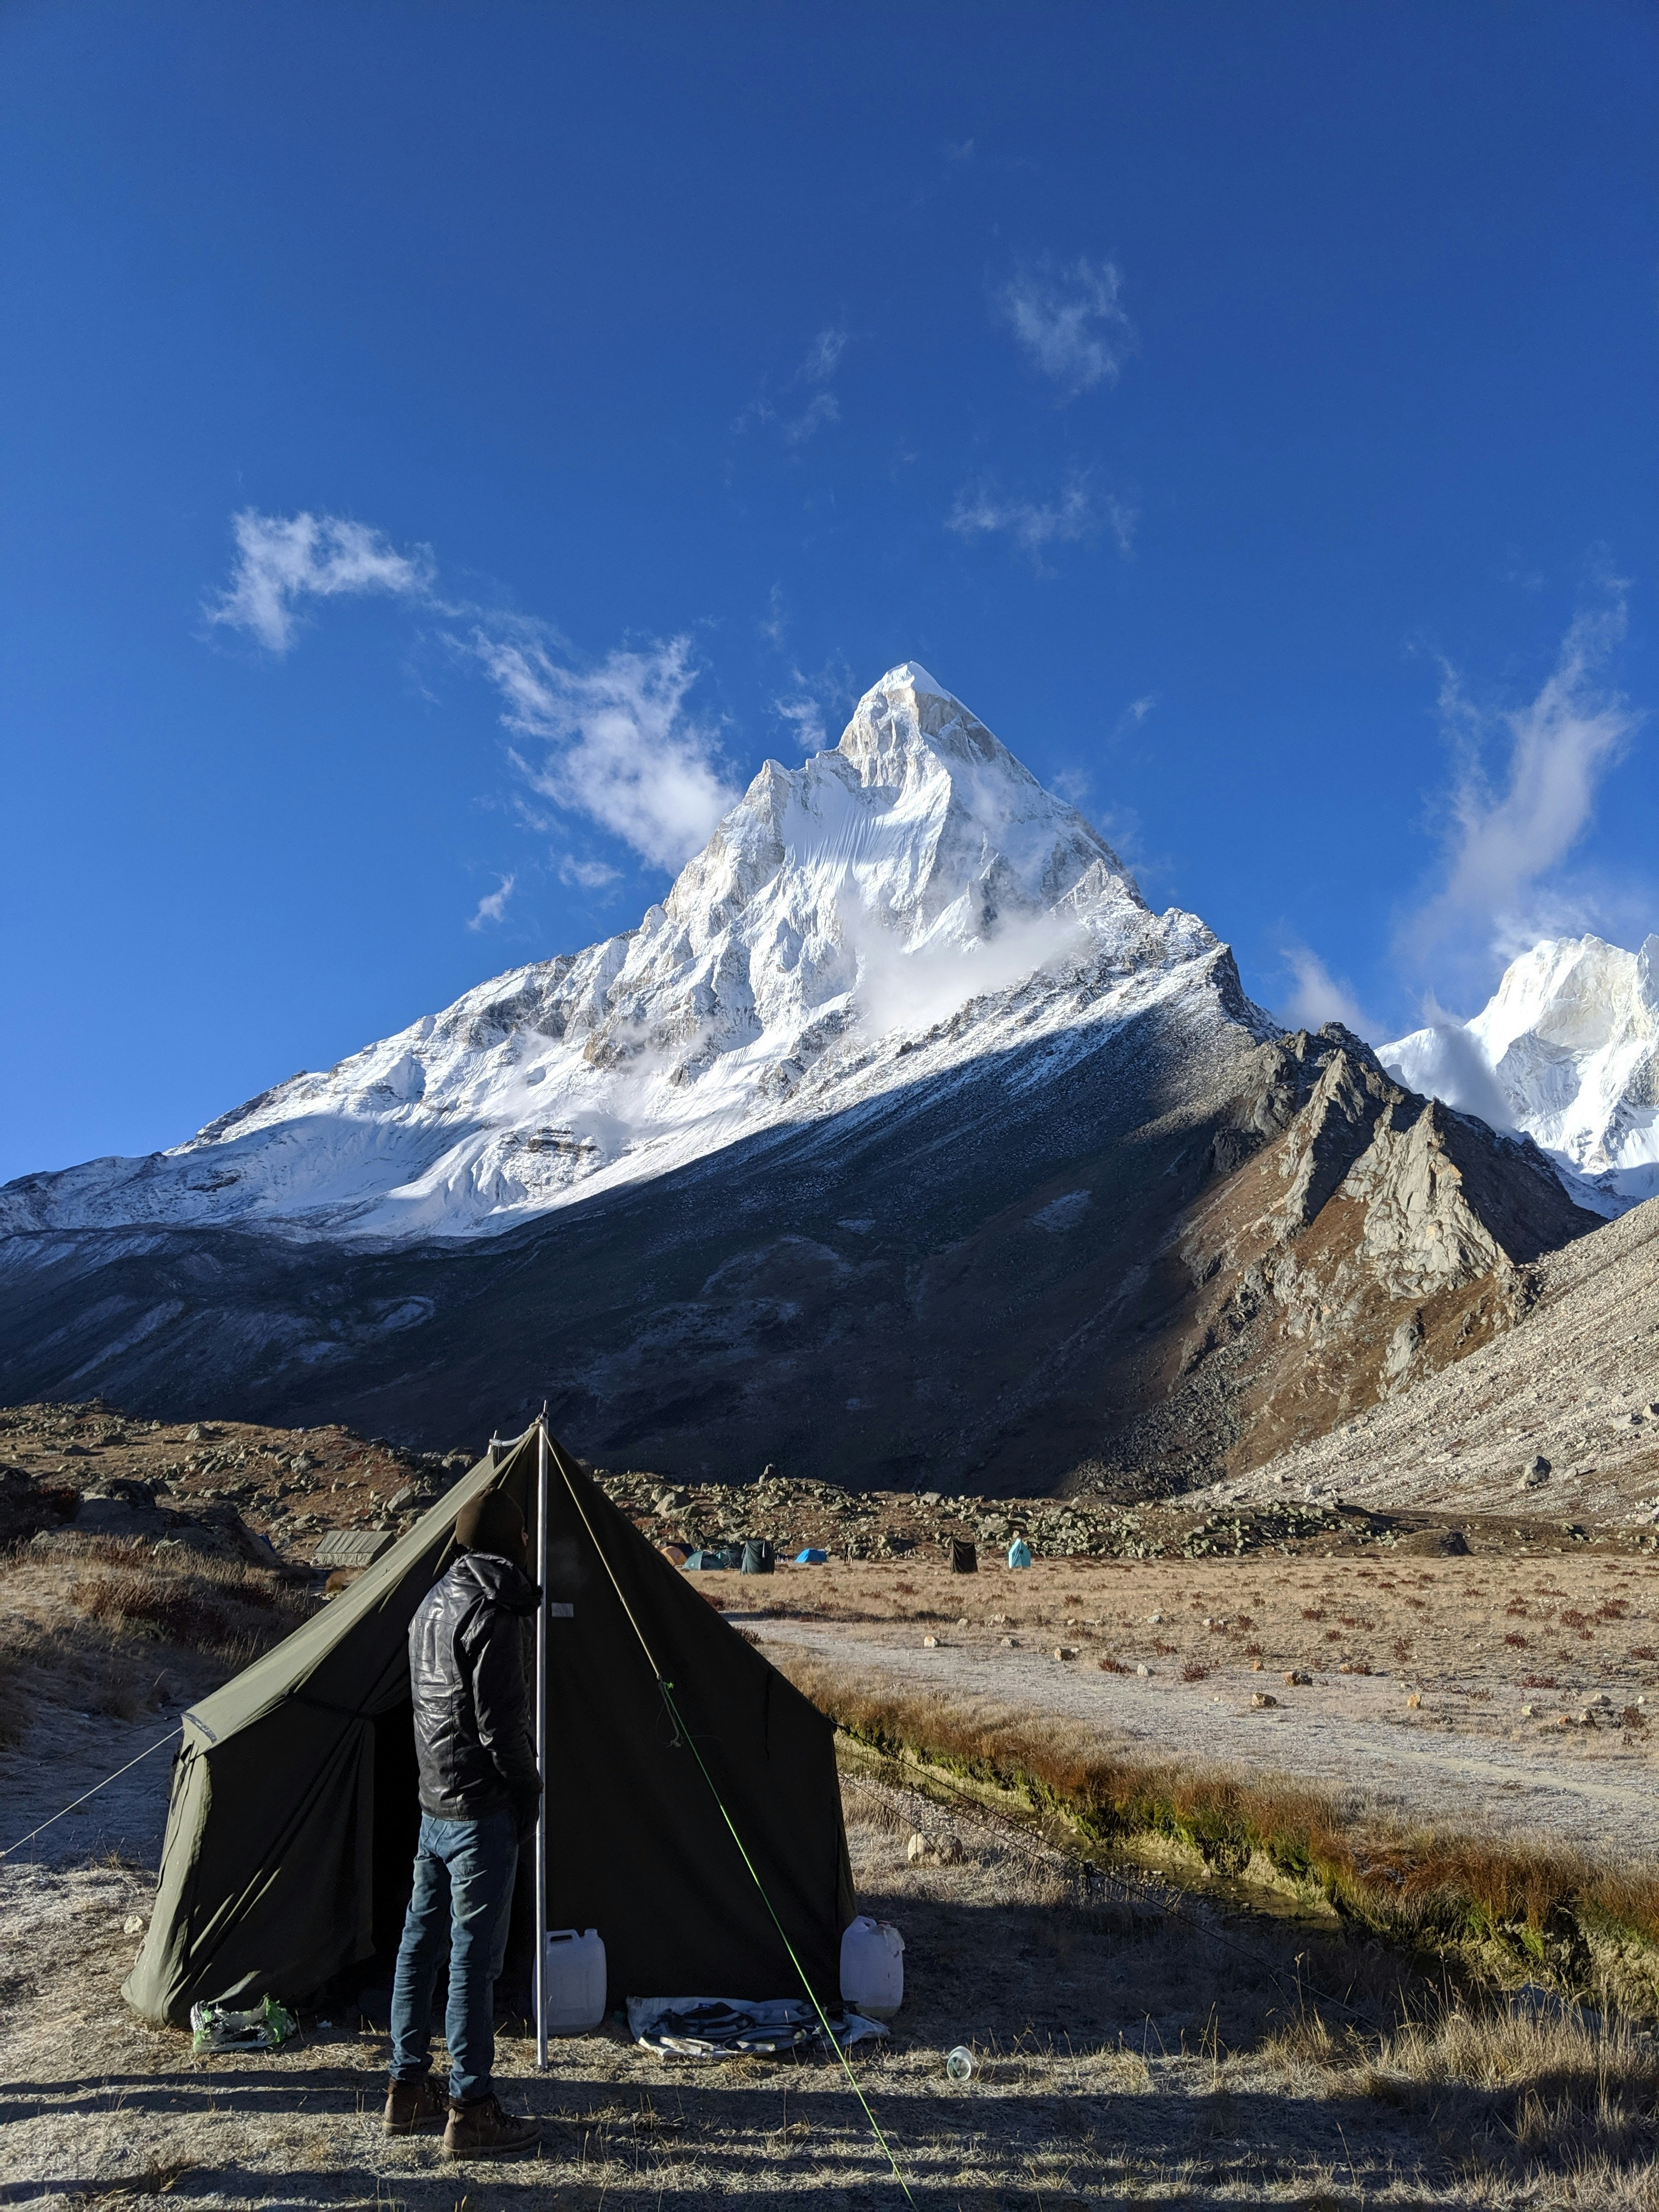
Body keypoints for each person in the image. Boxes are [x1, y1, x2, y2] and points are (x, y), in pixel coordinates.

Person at [383, 1489, 544, 2158]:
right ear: (511, 1541)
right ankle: (472, 2110)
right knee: (473, 1960)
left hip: (434, 1802)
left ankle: (405, 2090)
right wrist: (528, 1787)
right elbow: (500, 1723)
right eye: (523, 1536)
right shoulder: (495, 1608)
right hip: (481, 1808)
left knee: (419, 1945)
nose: (528, 1545)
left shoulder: (431, 1603)